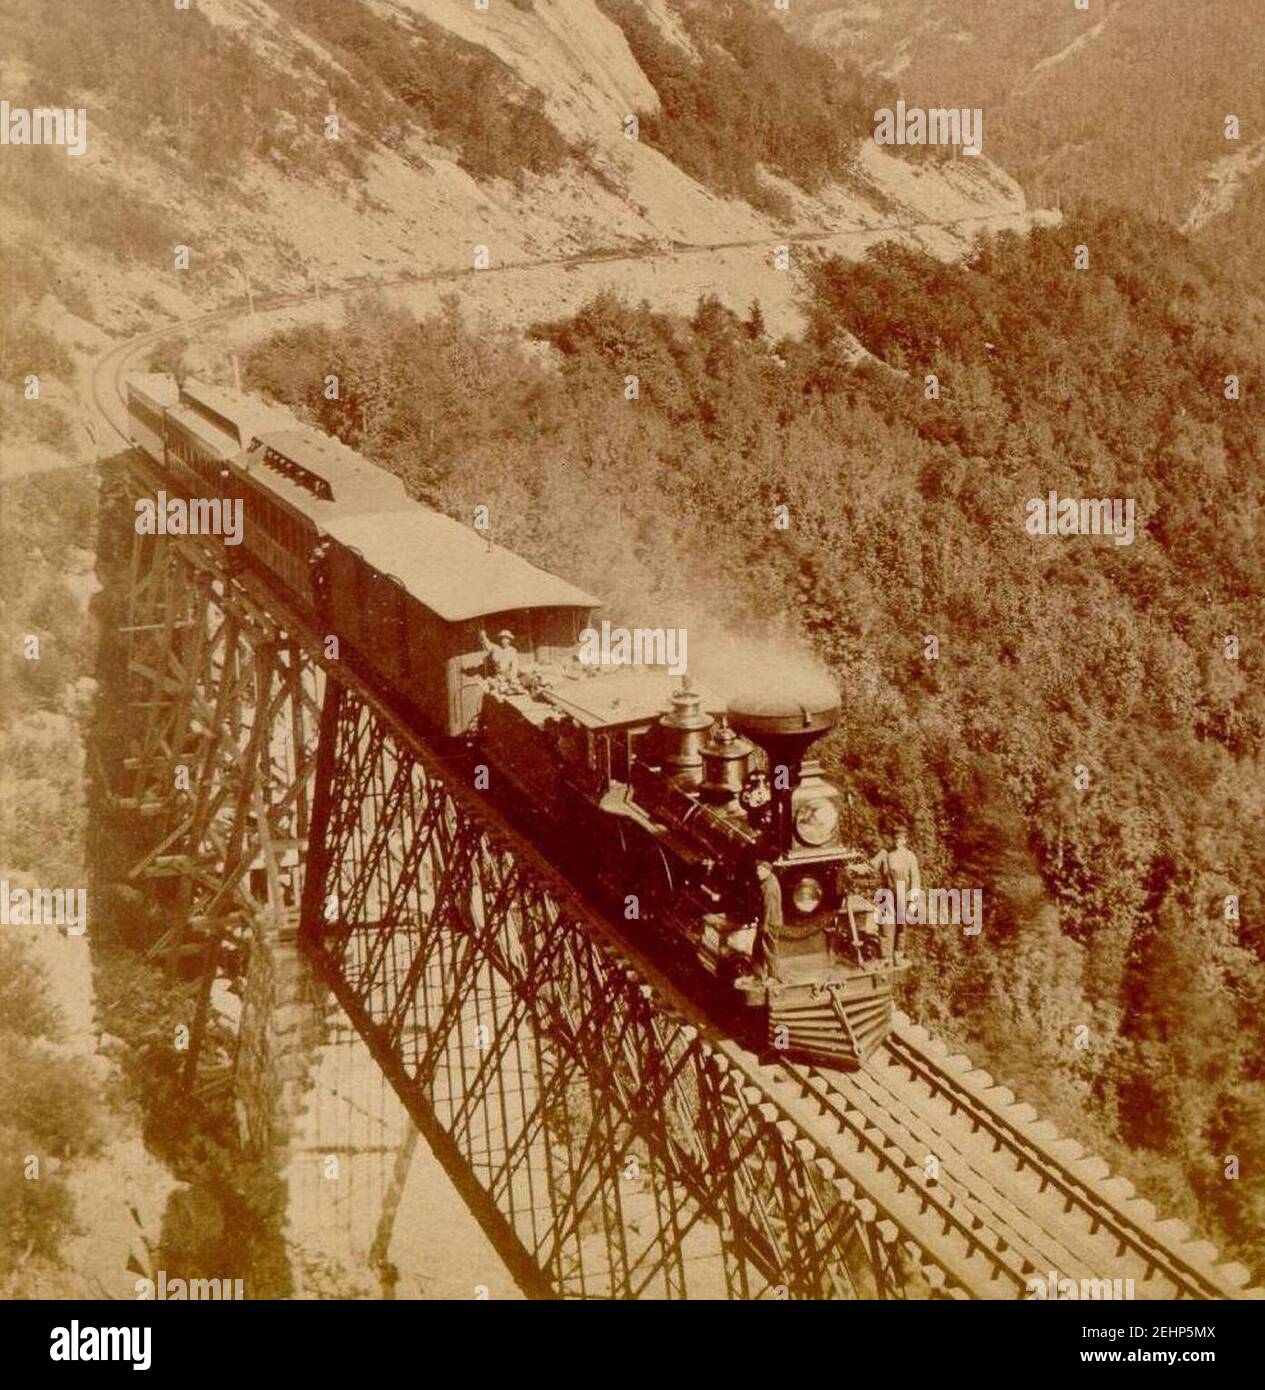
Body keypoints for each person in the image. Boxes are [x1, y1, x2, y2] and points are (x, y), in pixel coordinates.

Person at [870, 826, 920, 961]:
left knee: (901, 927)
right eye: (895, 838)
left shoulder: (910, 857)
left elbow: (915, 880)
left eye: (900, 838)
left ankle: (898, 954)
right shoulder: (885, 854)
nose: (897, 841)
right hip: (887, 893)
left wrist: (913, 903)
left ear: (905, 840)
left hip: (903, 894)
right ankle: (886, 957)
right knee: (886, 926)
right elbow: (870, 867)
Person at [753, 860, 783, 980]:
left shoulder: (769, 887)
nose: (757, 873)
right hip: (769, 920)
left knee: (770, 949)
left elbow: (768, 907)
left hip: (770, 922)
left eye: (760, 870)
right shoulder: (770, 880)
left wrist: (764, 924)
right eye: (757, 870)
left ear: (768, 871)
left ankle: (773, 976)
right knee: (758, 947)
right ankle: (758, 973)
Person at [479, 627, 523, 693]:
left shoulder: (512, 651)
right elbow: (487, 645)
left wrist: (511, 678)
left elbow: (515, 666)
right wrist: (483, 636)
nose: (504, 640)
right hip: (498, 676)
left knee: (512, 687)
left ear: (509, 640)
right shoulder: (496, 648)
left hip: (508, 677)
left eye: (506, 639)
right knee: (488, 685)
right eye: (502, 638)